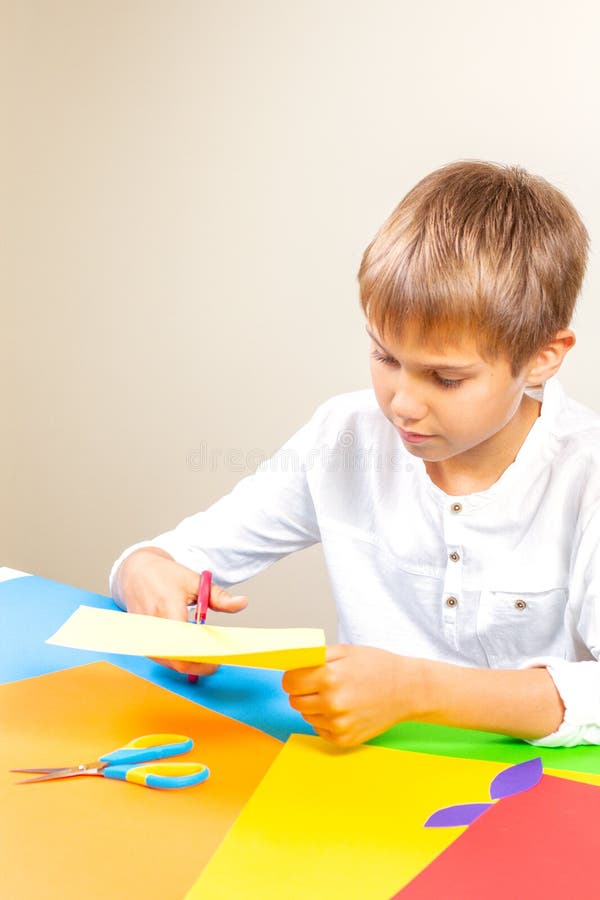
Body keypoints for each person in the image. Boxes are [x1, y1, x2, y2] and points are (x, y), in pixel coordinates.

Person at [111, 160, 600, 749]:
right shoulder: (344, 436)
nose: (402, 405)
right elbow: (173, 556)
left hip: (541, 795)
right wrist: (146, 573)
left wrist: (418, 689)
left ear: (546, 356)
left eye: (445, 379)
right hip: (362, 780)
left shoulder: (585, 470)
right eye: (385, 358)